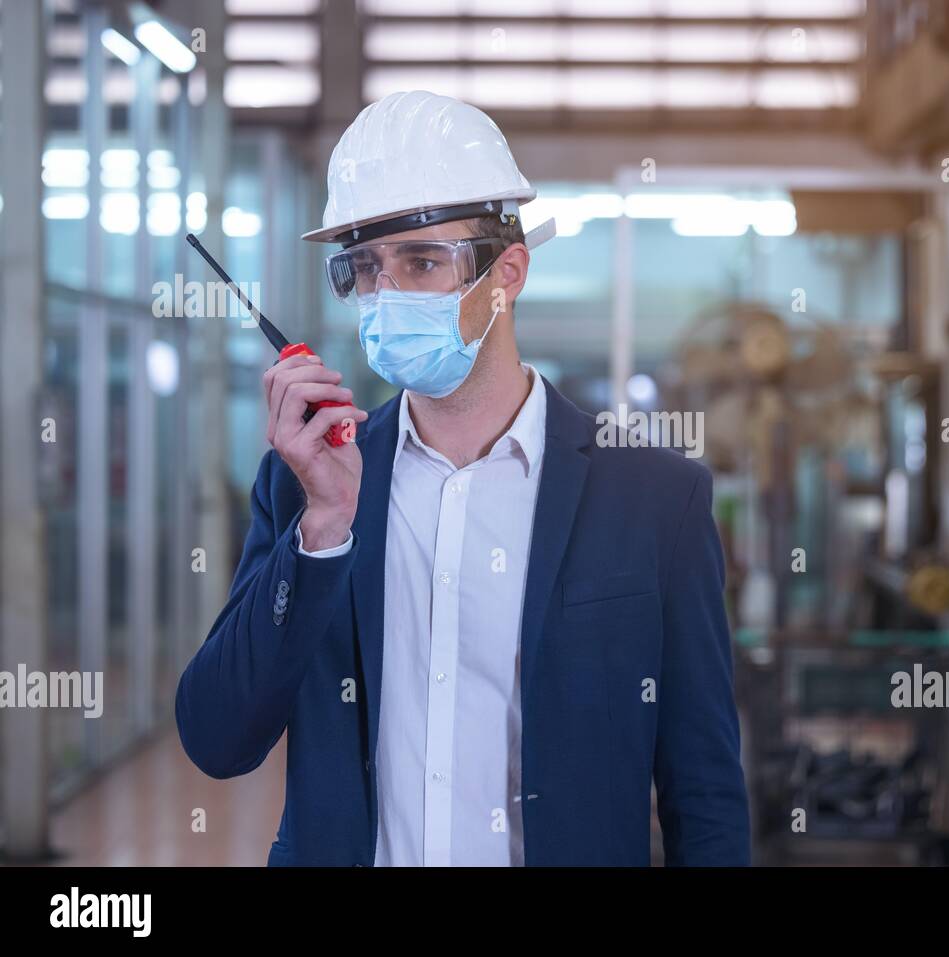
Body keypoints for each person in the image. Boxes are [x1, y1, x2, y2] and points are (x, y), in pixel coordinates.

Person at [175, 91, 750, 866]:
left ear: (507, 273)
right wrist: (322, 531)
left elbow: (705, 791)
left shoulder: (653, 500)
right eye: (366, 268)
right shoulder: (309, 483)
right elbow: (218, 737)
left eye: (420, 262)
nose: (386, 296)